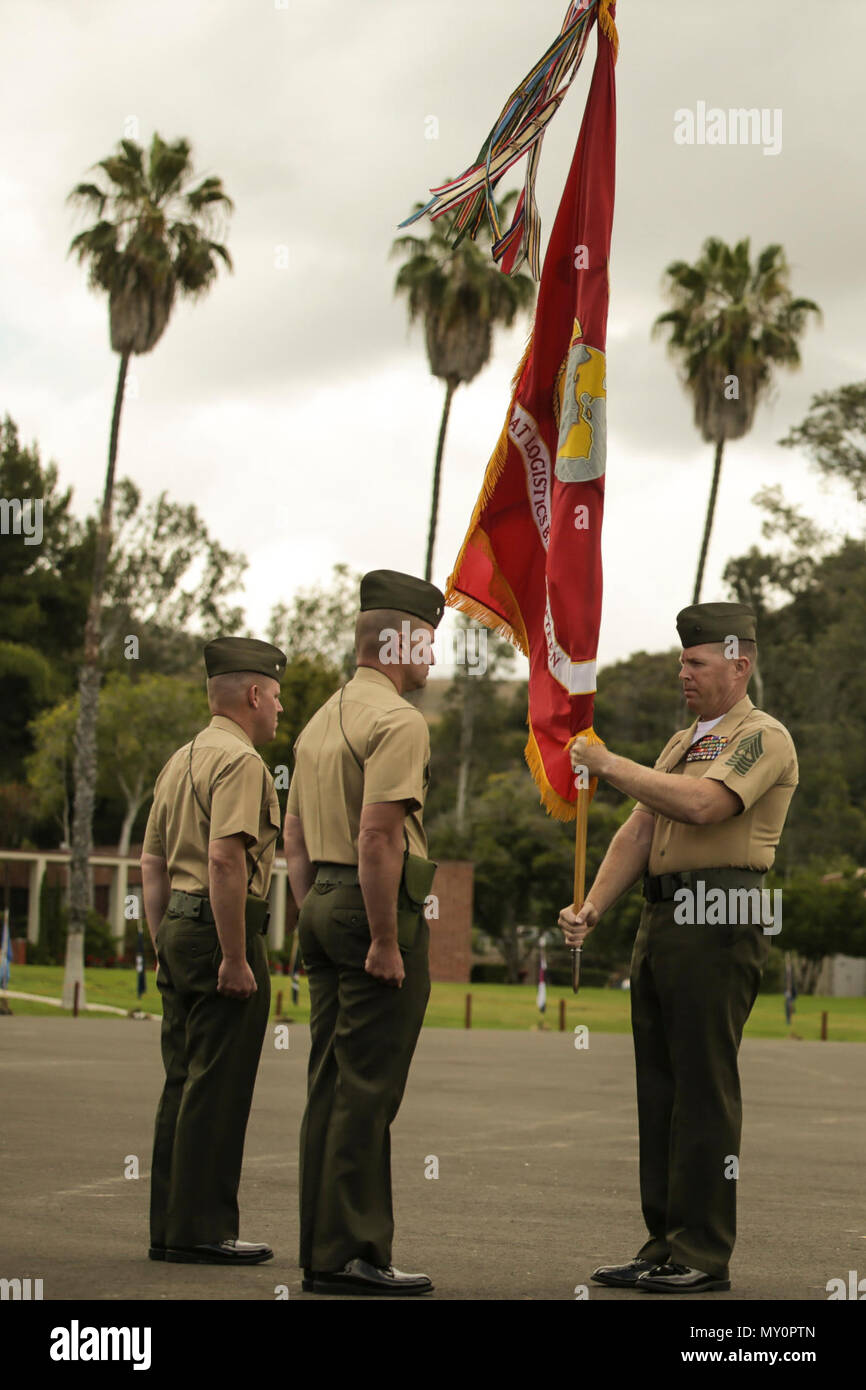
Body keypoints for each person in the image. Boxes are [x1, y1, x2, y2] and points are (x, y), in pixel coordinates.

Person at [559, 602, 798, 1293]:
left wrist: (605, 763)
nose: (683, 673)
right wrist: (594, 907)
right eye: (681, 661)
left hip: (719, 912)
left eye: (697, 662)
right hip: (664, 917)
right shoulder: (684, 740)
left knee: (702, 1090)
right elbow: (638, 831)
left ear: (739, 662)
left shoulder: (761, 736)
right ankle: (663, 1242)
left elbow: (701, 806)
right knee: (660, 1092)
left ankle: (703, 1252)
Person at [283, 569, 443, 1296]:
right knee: (368, 1089)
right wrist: (382, 937)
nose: (434, 659)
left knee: (331, 1084)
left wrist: (312, 905)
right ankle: (353, 1252)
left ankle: (323, 1249)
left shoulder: (320, 717)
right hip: (372, 908)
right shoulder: (399, 722)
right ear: (401, 640)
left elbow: (291, 835)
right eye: (429, 643)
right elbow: (380, 836)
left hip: (321, 894)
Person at [140, 636, 286, 1265]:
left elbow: (150, 861)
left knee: (182, 1079)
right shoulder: (242, 763)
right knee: (218, 1086)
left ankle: (172, 1228)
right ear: (253, 695)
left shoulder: (180, 759)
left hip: (178, 921)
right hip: (220, 927)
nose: (280, 709)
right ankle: (203, 1231)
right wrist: (233, 955)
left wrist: (162, 937)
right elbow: (227, 857)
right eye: (276, 697)